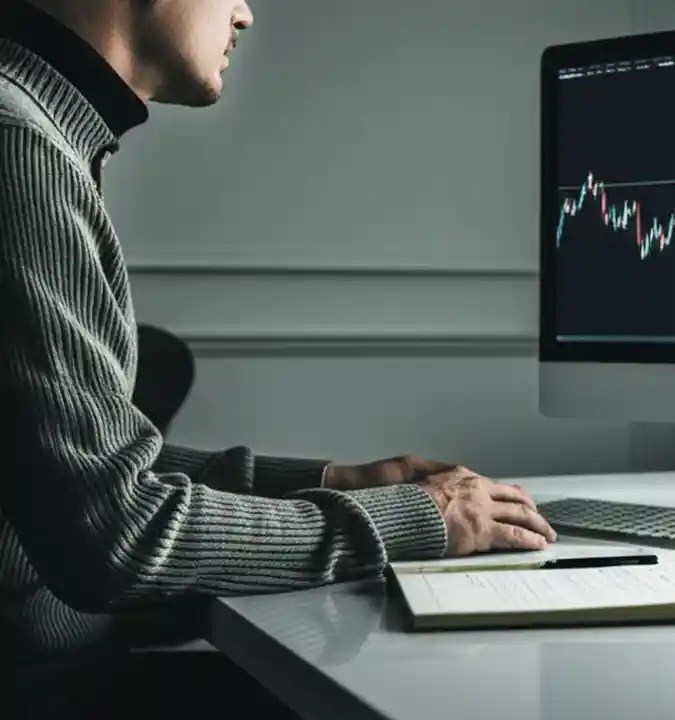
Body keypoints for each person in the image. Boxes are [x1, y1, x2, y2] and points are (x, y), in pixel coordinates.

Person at [0, 1, 558, 717]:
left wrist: (339, 481)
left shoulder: (43, 136)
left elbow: (82, 473)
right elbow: (117, 535)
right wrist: (414, 520)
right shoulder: (22, 151)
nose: (245, 14)